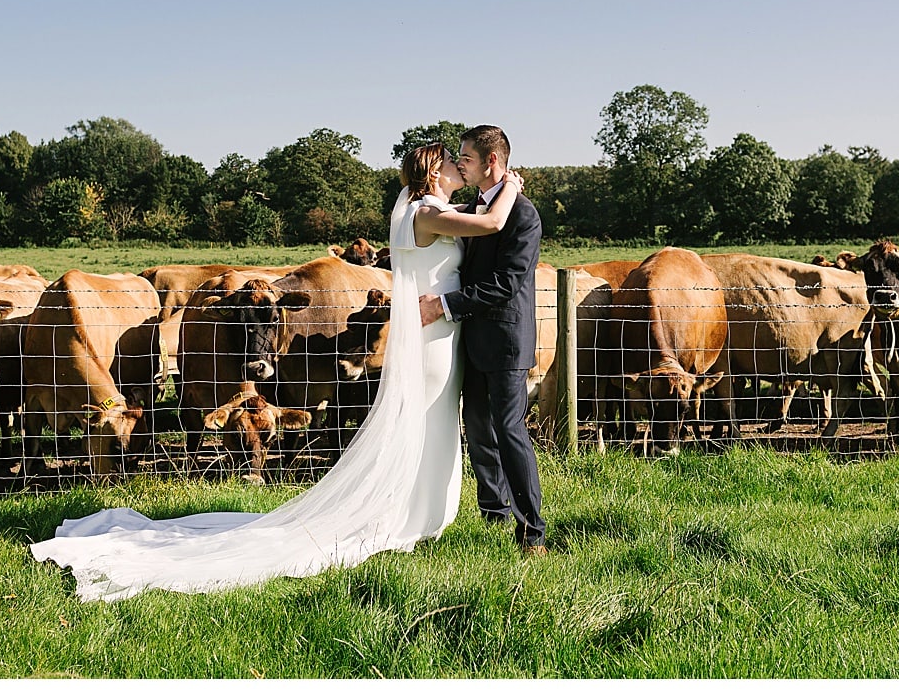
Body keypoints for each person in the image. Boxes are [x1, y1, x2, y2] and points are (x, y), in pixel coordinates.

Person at [28, 141, 525, 602]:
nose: (461, 166)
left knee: (431, 425)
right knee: (429, 422)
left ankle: (419, 512)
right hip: (432, 335)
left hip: (437, 333)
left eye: (466, 159)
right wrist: (511, 187)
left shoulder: (422, 209)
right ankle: (410, 516)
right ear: (434, 172)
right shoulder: (426, 213)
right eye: (454, 161)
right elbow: (492, 223)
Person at [419, 125, 546, 555]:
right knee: (476, 427)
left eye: (467, 158)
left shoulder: (523, 214)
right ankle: (494, 513)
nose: (461, 164)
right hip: (472, 338)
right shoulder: (475, 208)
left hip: (506, 338)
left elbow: (507, 283)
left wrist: (444, 305)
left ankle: (532, 533)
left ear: (492, 161)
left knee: (509, 430)